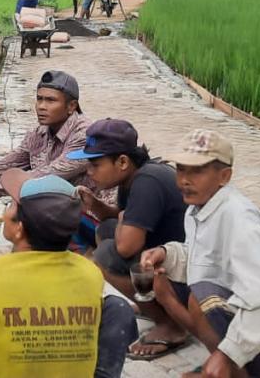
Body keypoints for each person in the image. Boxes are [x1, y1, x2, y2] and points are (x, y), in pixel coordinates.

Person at [0, 170, 137, 378]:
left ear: (20, 228)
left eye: (11, 204)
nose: (4, 211)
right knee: (118, 308)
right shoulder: (90, 273)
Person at [141, 130, 260, 378]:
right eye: (182, 169)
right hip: (247, 318)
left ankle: (235, 367)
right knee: (175, 284)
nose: (184, 180)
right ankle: (226, 367)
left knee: (203, 296)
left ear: (224, 176)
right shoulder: (197, 209)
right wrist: (166, 253)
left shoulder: (239, 218)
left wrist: (228, 353)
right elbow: (202, 258)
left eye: (197, 171)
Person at [66, 118, 191, 361]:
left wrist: (121, 217)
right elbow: (124, 219)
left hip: (185, 273)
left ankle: (172, 325)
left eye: (95, 164)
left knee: (104, 257)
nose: (89, 172)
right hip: (162, 256)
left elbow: (125, 248)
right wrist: (97, 205)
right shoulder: (133, 177)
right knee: (106, 230)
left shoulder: (147, 182)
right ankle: (153, 303)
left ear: (122, 161)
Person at [0, 70, 102, 234]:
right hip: (57, 216)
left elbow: (52, 173)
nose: (41, 106)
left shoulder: (86, 135)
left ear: (71, 106)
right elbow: (4, 165)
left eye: (51, 100)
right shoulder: (39, 133)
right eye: (39, 99)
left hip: (89, 222)